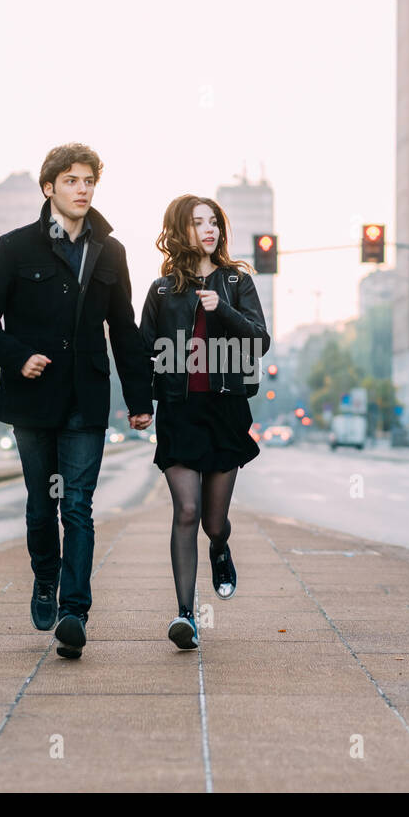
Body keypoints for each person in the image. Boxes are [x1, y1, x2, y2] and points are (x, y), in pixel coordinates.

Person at [0, 143, 153, 660]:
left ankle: (74, 611)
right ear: (50, 188)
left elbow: (124, 327)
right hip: (32, 399)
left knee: (78, 505)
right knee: (40, 504)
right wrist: (17, 356)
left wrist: (139, 399)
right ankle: (44, 580)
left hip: (88, 399)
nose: (82, 189)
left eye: (89, 180)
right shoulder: (15, 247)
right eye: (71, 180)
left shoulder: (110, 252)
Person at [139, 195, 270, 650]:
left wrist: (223, 309)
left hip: (224, 410)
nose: (209, 229)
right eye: (198, 222)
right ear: (181, 230)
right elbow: (143, 352)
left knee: (213, 522)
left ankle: (219, 548)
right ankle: (185, 616)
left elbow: (260, 341)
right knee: (186, 512)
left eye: (213, 222)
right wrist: (139, 404)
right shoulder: (160, 290)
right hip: (178, 412)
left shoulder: (237, 280)